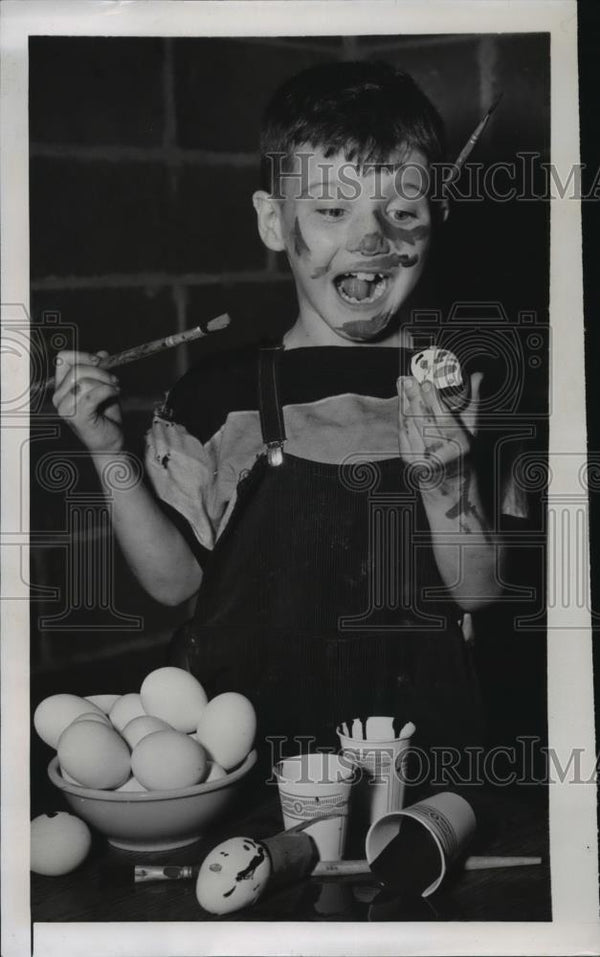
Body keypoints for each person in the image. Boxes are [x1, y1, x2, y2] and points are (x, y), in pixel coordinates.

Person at [52, 61, 525, 775]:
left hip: (424, 769)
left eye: (400, 212)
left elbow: (480, 590)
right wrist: (105, 447)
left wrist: (444, 473)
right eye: (332, 211)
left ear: (438, 217)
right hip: (254, 773)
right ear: (275, 222)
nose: (370, 242)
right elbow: (176, 583)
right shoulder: (216, 396)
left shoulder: (474, 386)